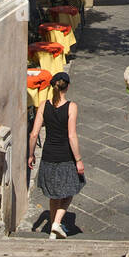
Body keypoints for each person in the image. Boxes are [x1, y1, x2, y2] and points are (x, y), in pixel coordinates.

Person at [27, 72, 85, 239]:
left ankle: (54, 228)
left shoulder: (43, 105)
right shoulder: (71, 107)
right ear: (67, 86)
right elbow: (72, 136)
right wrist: (78, 160)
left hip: (48, 156)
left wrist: (31, 155)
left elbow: (34, 134)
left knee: (53, 194)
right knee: (71, 189)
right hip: (66, 156)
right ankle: (56, 223)